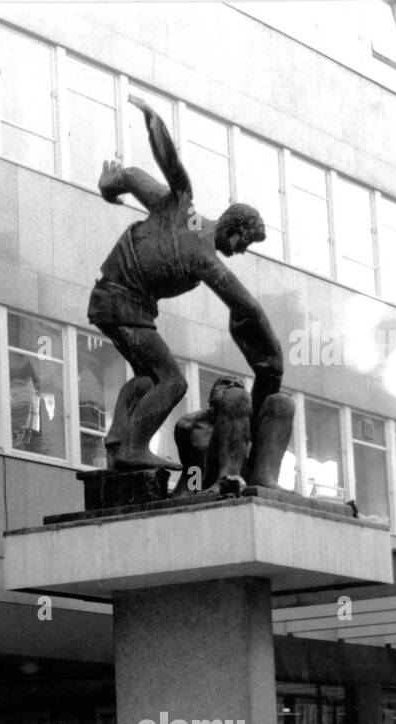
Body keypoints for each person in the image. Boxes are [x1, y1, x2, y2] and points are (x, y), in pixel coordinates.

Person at [89, 96, 286, 476]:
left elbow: (131, 176)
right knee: (173, 381)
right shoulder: (198, 240)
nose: (242, 252)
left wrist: (109, 188)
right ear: (236, 229)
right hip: (121, 303)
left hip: (117, 303)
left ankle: (118, 441)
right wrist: (154, 123)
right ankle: (132, 448)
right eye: (245, 243)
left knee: (147, 376)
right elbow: (245, 305)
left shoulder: (183, 215)